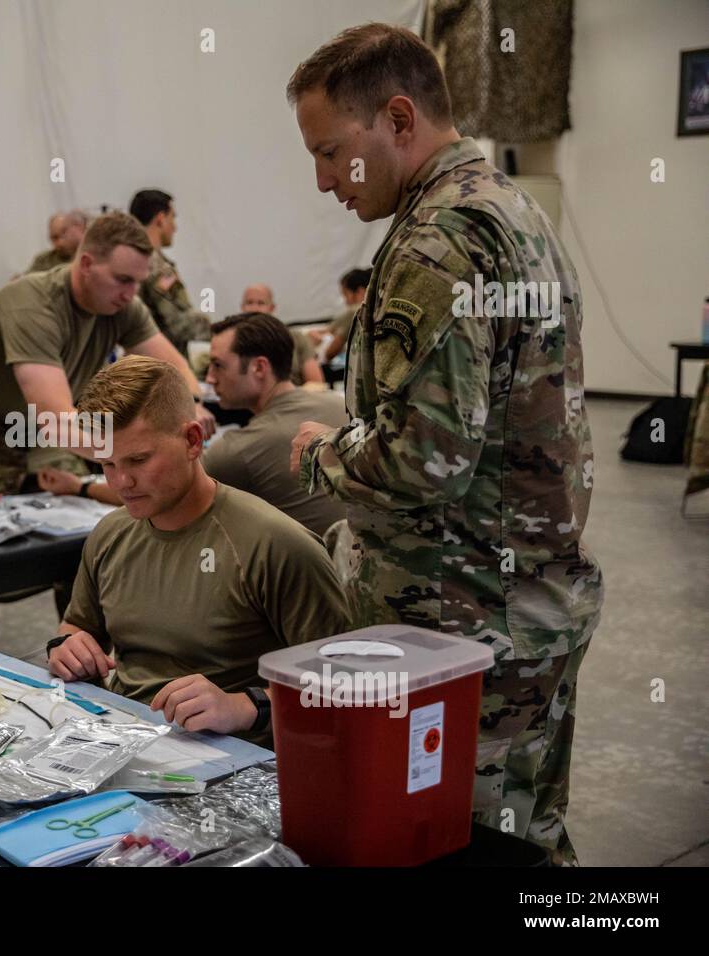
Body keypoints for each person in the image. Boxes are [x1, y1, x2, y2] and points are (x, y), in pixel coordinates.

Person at [286, 23, 602, 863]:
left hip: (463, 626)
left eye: (329, 153)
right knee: (528, 843)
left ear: (396, 118)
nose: (322, 182)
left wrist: (323, 452)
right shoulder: (511, 209)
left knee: (458, 845)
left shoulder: (439, 239)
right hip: (528, 600)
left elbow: (423, 462)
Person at [0, 212, 216, 638]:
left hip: (45, 420)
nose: (131, 293)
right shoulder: (30, 303)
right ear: (85, 265)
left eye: (138, 282)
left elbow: (171, 366)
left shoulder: (122, 304)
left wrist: (195, 406)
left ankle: (77, 642)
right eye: (122, 280)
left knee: (84, 536)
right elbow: (56, 424)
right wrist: (132, 455)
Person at [46, 356, 349, 745]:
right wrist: (66, 646)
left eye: (139, 460)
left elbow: (343, 687)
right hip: (122, 739)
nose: (122, 481)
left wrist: (245, 707)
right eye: (107, 464)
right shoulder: (110, 534)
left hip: (233, 764)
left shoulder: (275, 544)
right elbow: (77, 626)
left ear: (192, 440)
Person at [203, 313, 347, 536]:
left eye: (218, 365)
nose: (210, 378)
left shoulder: (237, 451)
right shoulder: (342, 405)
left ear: (259, 368)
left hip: (311, 568)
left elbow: (163, 496)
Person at [128, 189, 210, 356]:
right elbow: (179, 324)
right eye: (173, 217)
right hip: (159, 362)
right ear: (160, 219)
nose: (175, 227)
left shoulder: (127, 257)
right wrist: (223, 332)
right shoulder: (155, 264)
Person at [237, 284, 324, 385]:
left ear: (272, 308)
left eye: (261, 303)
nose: (255, 308)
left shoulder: (296, 339)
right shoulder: (233, 342)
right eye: (249, 303)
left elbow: (316, 384)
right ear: (242, 307)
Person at [316, 267, 370, 360]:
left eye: (346, 294)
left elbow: (330, 352)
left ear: (360, 291)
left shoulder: (355, 311)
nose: (345, 301)